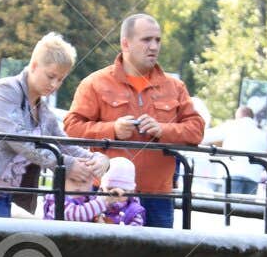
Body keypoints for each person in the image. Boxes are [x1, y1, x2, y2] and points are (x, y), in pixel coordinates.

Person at [0, 32, 106, 218]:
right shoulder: (5, 90)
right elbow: (18, 139)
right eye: (51, 76)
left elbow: (62, 143)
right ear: (34, 66)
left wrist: (97, 158)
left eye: (61, 79)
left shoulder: (42, 111)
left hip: (0, 194)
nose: (55, 84)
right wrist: (67, 164)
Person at [63, 13, 204, 228]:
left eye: (157, 40)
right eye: (146, 40)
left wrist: (162, 130)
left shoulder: (175, 87)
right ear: (125, 44)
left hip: (158, 196)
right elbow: (71, 128)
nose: (154, 46)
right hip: (107, 195)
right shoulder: (95, 83)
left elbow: (196, 130)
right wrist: (113, 130)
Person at [206, 105, 267, 196]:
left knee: (230, 206)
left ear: (239, 115)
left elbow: (207, 136)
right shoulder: (262, 134)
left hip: (233, 173)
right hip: (253, 176)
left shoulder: (232, 126)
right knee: (246, 208)